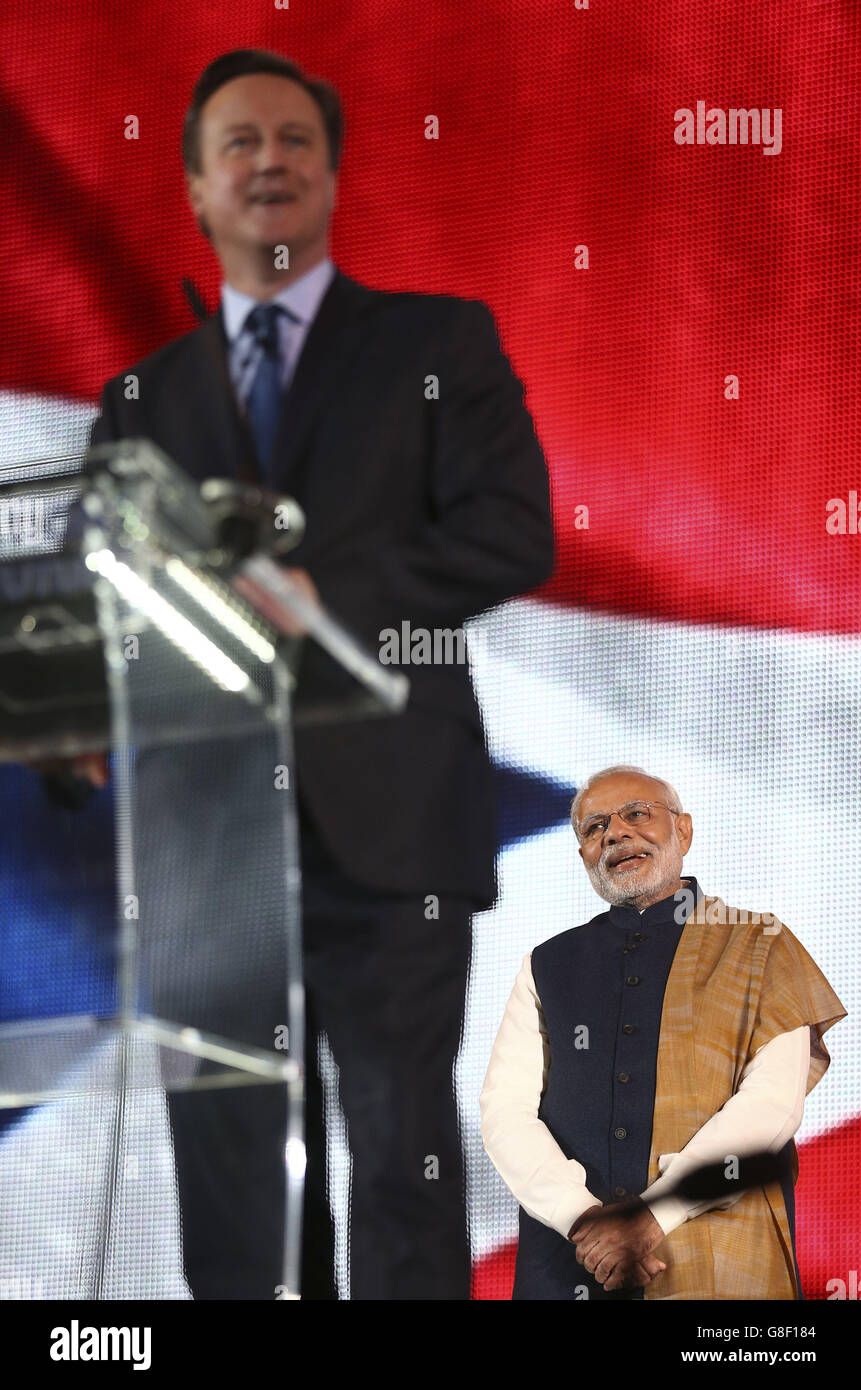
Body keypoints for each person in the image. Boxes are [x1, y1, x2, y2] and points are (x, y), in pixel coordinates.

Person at [71, 48, 553, 1300]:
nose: (267, 161)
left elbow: (514, 531)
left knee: (401, 1158)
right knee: (231, 1188)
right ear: (192, 187)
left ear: (331, 174)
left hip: (391, 824)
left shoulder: (437, 343)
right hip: (203, 845)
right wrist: (70, 730)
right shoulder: (137, 401)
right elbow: (96, 612)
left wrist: (323, 601)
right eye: (238, 143)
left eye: (292, 139)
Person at [480, 764, 846, 1300]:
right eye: (594, 827)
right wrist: (583, 1222)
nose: (617, 833)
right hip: (572, 1257)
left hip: (714, 1240)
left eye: (637, 814)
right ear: (582, 854)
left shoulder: (759, 944)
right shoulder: (549, 963)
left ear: (684, 831)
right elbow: (504, 1111)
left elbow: (770, 1106)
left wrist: (652, 1218)